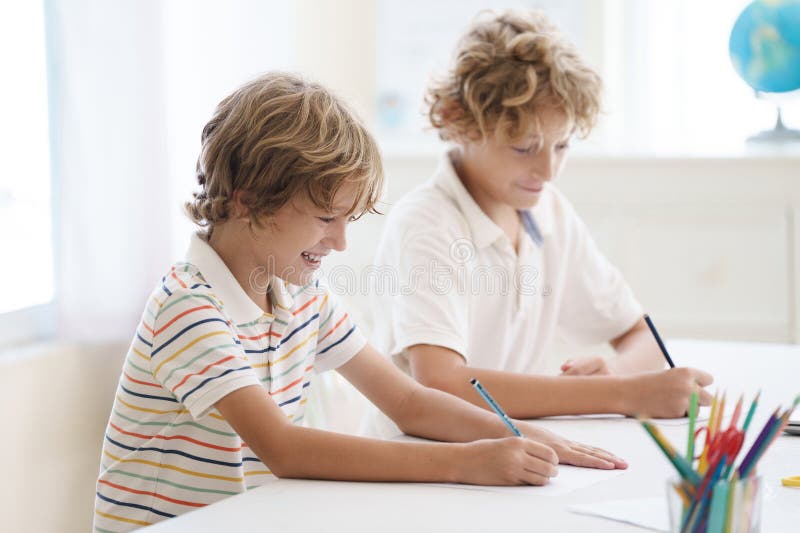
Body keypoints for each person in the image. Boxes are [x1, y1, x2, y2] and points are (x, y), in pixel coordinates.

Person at [94, 72, 626, 531]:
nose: (341, 242)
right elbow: (284, 448)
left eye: (348, 220)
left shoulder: (303, 295)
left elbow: (408, 402)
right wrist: (464, 463)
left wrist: (524, 437)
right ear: (249, 201)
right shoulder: (188, 307)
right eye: (327, 218)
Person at [370, 10, 713, 424]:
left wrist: (616, 373)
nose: (549, 171)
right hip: (419, 455)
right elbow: (441, 383)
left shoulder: (549, 211)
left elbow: (642, 336)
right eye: (524, 148)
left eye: (562, 146)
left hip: (510, 450)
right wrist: (619, 394)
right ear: (457, 120)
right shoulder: (427, 223)